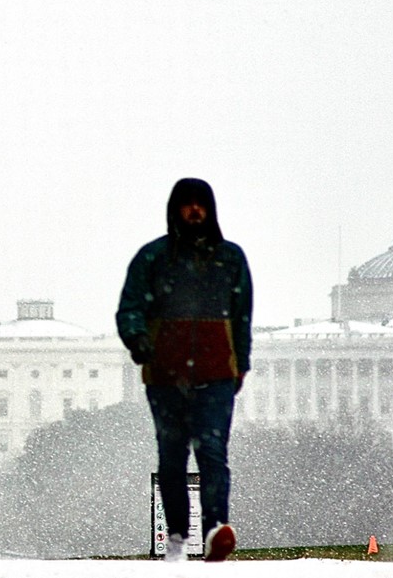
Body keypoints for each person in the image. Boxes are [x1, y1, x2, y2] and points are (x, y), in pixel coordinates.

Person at [116, 177, 251, 563]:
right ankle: (177, 535)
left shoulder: (230, 258)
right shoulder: (152, 258)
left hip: (216, 374)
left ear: (210, 209)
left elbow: (242, 318)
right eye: (187, 204)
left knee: (212, 454)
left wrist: (239, 365)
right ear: (175, 209)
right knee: (172, 457)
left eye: (201, 204)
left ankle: (214, 530)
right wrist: (138, 340)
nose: (195, 211)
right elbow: (130, 309)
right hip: (165, 374)